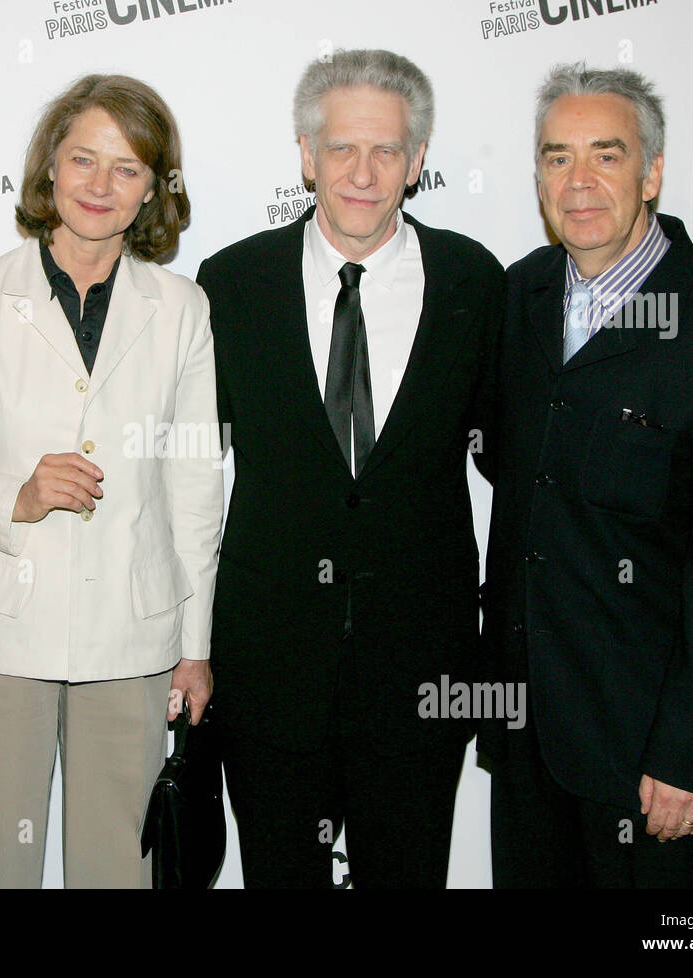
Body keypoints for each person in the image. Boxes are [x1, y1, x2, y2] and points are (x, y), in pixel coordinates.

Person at [0, 74, 222, 889]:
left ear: (154, 189)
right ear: (50, 169)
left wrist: (195, 647)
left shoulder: (182, 310)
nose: (101, 186)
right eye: (83, 159)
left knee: (120, 870)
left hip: (135, 638)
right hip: (1, 633)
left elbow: (194, 489)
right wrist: (15, 495)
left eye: (127, 168)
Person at [197, 49, 503, 888]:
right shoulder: (230, 283)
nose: (363, 174)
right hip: (268, 671)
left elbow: (517, 466)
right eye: (341, 149)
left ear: (418, 161)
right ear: (305, 155)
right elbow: (184, 481)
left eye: (387, 152)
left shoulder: (475, 281)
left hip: (421, 676)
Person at [479, 62, 693, 888]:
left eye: (605, 156)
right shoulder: (521, 297)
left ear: (652, 172)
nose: (578, 182)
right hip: (525, 735)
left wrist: (691, 755)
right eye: (556, 157)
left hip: (645, 760)